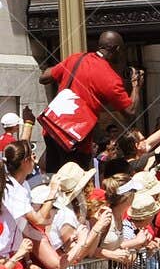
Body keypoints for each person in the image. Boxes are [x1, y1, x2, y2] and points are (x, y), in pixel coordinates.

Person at [38, 30, 143, 171]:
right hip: (76, 138)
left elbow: (44, 78)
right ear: (117, 49)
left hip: (53, 129)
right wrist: (136, 85)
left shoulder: (75, 59)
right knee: (75, 184)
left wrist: (62, 69)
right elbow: (130, 111)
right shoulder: (110, 78)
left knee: (54, 179)